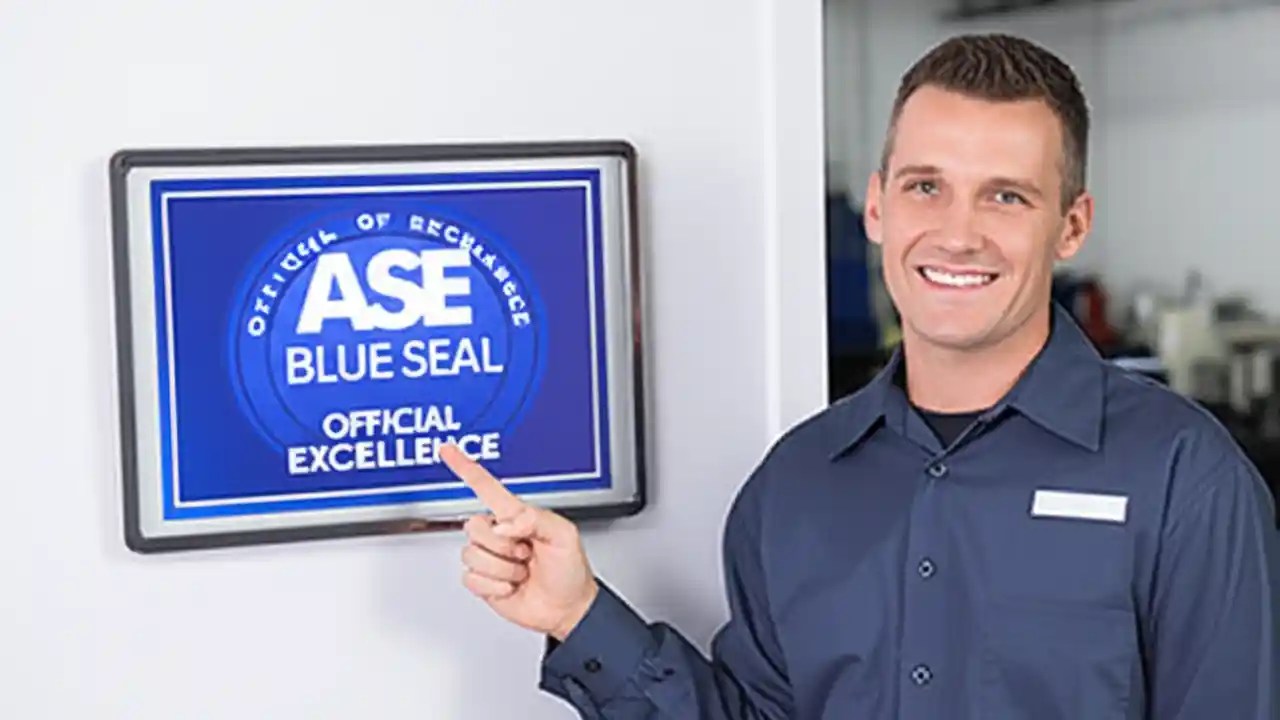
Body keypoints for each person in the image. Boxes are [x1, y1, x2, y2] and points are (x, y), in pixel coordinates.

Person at [441, 33, 1280, 718]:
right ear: (877, 207)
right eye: (927, 187)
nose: (958, 234)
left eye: (1007, 197)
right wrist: (577, 614)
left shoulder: (1185, 481)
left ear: (1072, 225)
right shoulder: (795, 485)